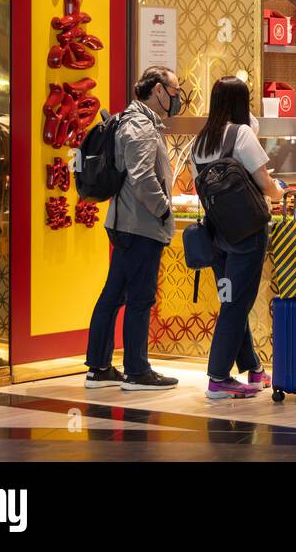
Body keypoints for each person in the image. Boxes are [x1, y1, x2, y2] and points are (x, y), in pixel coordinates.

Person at [84, 66, 182, 391]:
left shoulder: (134, 119)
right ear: (157, 90)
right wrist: (164, 209)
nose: (177, 98)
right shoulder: (140, 125)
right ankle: (137, 371)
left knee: (113, 295)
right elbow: (142, 177)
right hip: (139, 225)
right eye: (174, 90)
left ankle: (99, 368)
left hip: (126, 222)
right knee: (139, 298)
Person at [191, 76, 283, 400]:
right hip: (247, 234)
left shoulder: (199, 141)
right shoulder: (241, 133)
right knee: (236, 305)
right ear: (241, 102)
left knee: (232, 301)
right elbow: (264, 183)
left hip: (217, 236)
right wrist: (279, 192)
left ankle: (254, 370)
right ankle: (218, 378)